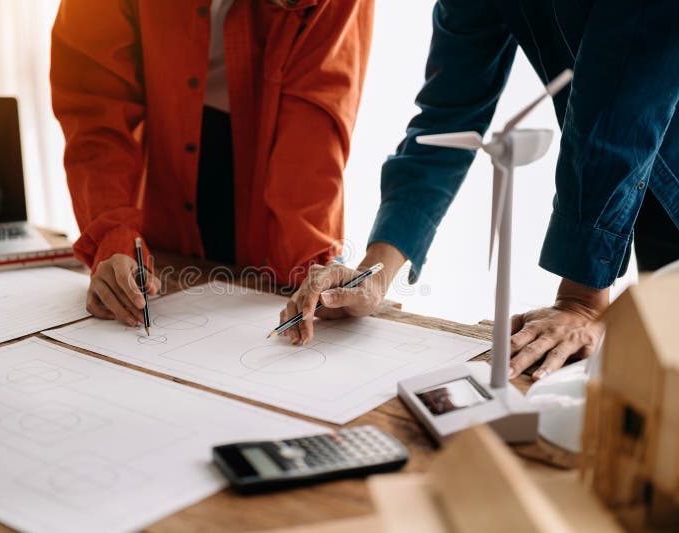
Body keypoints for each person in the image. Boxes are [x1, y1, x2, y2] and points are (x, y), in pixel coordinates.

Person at [282, 0, 679, 380]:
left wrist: (582, 297)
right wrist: (374, 273)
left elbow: (620, 100)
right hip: (636, 187)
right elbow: (447, 119)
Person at [51, 0, 374, 326]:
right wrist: (113, 234)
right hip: (165, 176)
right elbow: (97, 106)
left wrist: (306, 262)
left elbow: (315, 121)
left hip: (278, 153)